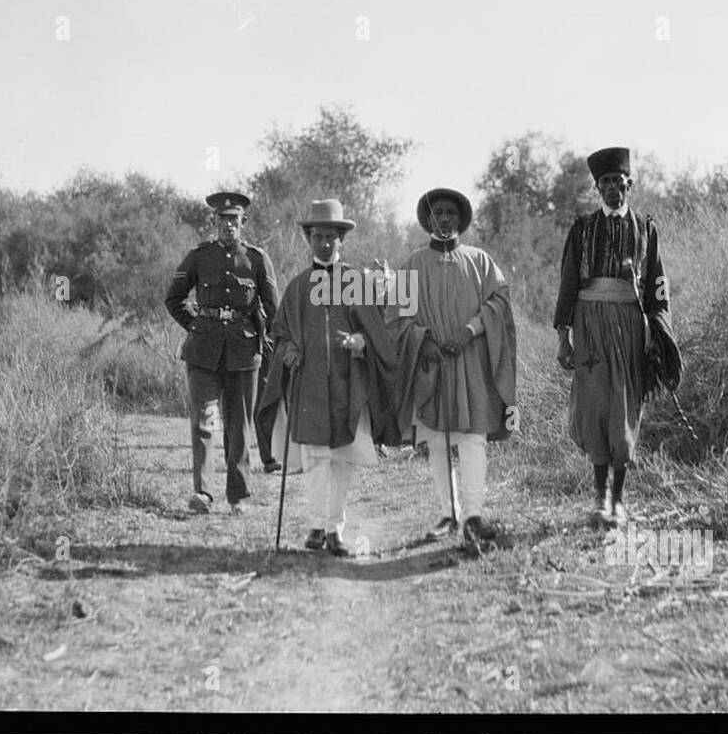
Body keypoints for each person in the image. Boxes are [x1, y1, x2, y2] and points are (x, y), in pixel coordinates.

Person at [256, 199, 399, 557]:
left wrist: (360, 342)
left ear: (342, 240)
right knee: (317, 458)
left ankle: (336, 529)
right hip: (311, 386)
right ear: (308, 239)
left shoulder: (357, 282)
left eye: (331, 237)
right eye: (317, 236)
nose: (324, 243)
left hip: (349, 384)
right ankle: (316, 527)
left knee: (343, 459)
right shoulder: (298, 287)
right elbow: (281, 332)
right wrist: (289, 352)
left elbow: (380, 332)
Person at [553, 147, 680, 526]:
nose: (613, 190)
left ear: (630, 185)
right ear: (597, 188)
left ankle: (619, 500)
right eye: (605, 183)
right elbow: (568, 283)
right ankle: (600, 498)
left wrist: (660, 332)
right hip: (589, 323)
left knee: (625, 408)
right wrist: (564, 336)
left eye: (619, 182)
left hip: (629, 326)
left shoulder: (646, 229)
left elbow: (657, 286)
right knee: (596, 407)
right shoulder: (582, 229)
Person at [387, 188, 516, 544]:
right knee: (439, 440)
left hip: (470, 360)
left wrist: (470, 330)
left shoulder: (480, 261)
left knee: (473, 438)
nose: (444, 219)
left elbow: (499, 300)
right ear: (428, 220)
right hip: (431, 363)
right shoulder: (413, 264)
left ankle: (474, 515)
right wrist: (422, 340)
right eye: (437, 213)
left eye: (450, 213)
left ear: (460, 219)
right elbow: (397, 314)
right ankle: (449, 513)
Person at [164, 191, 279, 516]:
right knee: (205, 422)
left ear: (244, 222)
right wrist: (197, 325)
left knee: (238, 425)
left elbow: (272, 307)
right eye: (222, 219)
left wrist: (260, 336)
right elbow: (173, 298)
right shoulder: (199, 257)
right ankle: (204, 492)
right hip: (203, 353)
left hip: (244, 354)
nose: (229, 225)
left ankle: (238, 495)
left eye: (234, 219)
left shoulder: (257, 259)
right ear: (214, 222)